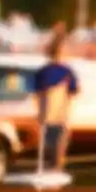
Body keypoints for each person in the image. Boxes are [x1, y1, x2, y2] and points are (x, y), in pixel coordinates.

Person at [30, 32, 78, 175]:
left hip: (49, 113)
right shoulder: (66, 72)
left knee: (49, 143)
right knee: (57, 142)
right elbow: (74, 91)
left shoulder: (43, 72)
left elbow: (36, 93)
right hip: (59, 113)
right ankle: (55, 168)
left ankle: (51, 167)